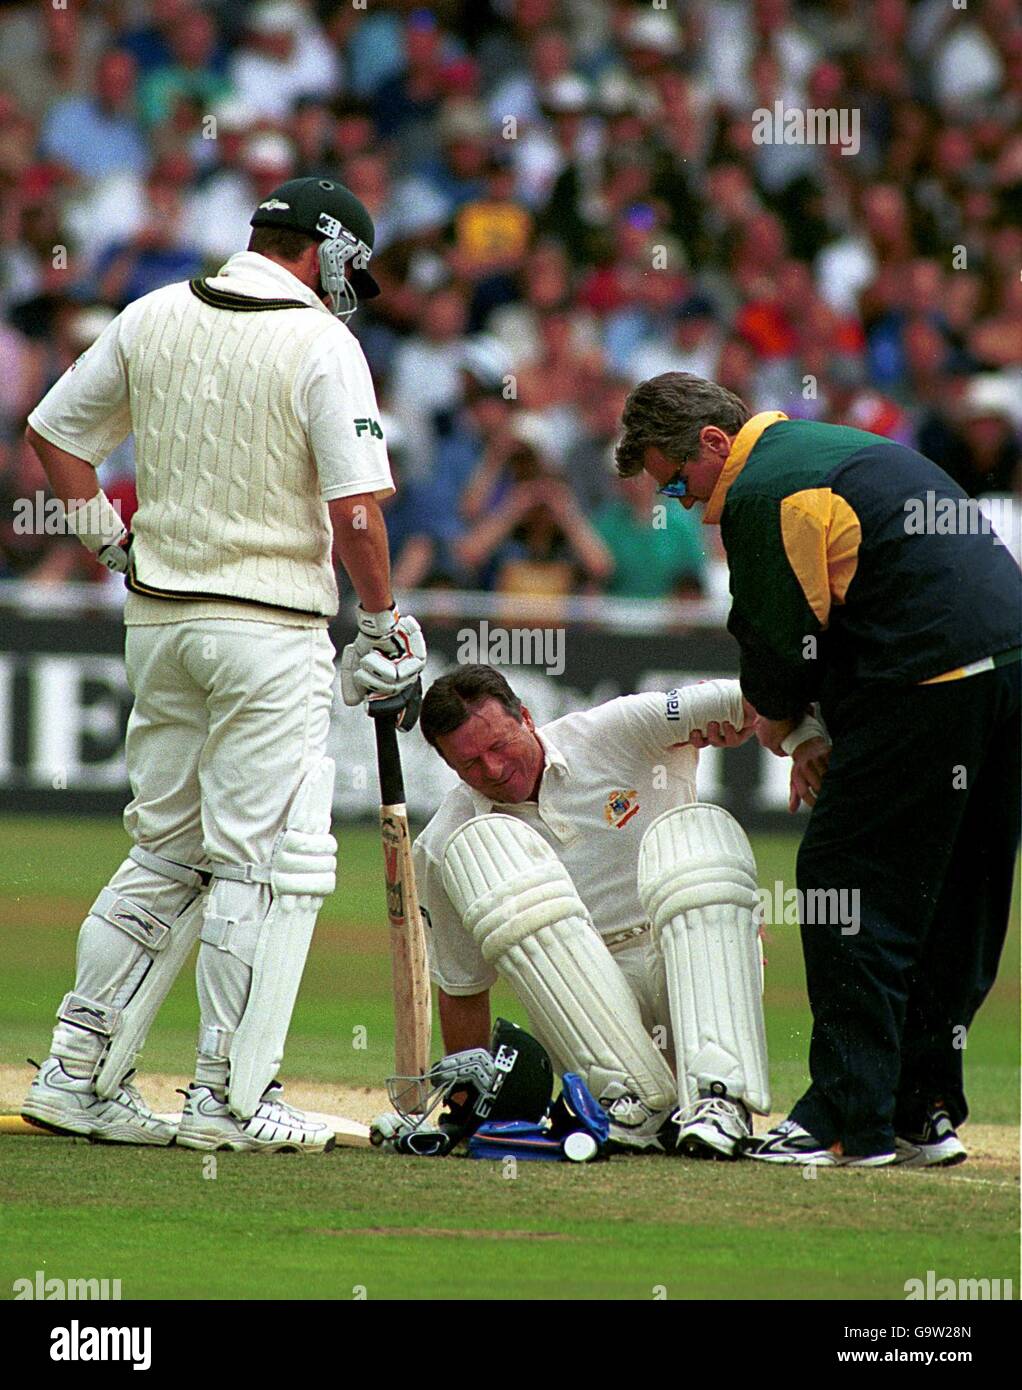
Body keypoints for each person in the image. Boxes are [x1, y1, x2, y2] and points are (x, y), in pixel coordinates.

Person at [20, 177, 426, 1153]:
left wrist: (108, 542)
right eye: (350, 271)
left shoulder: (153, 313)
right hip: (267, 630)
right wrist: (381, 620)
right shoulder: (323, 344)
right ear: (325, 250)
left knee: (165, 848)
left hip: (159, 623)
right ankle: (228, 1099)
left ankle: (76, 1074)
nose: (350, 291)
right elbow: (359, 511)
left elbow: (51, 434)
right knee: (255, 862)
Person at [616, 370, 1021, 1167]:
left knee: (848, 884)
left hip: (928, 677)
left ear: (711, 442)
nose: (681, 502)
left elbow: (777, 642)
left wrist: (788, 720)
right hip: (1007, 667)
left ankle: (845, 1117)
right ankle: (920, 1108)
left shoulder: (767, 490)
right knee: (956, 898)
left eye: (678, 480)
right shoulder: (824, 448)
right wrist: (812, 730)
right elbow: (847, 600)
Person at [405, 663, 803, 1158]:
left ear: (527, 717)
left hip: (689, 956)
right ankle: (630, 1104)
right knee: (482, 853)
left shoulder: (616, 728)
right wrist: (467, 1106)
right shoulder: (445, 843)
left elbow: (749, 697)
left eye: (499, 746)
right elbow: (463, 988)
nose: (492, 770)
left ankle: (718, 1098)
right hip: (588, 995)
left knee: (699, 851)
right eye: (468, 764)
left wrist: (794, 740)